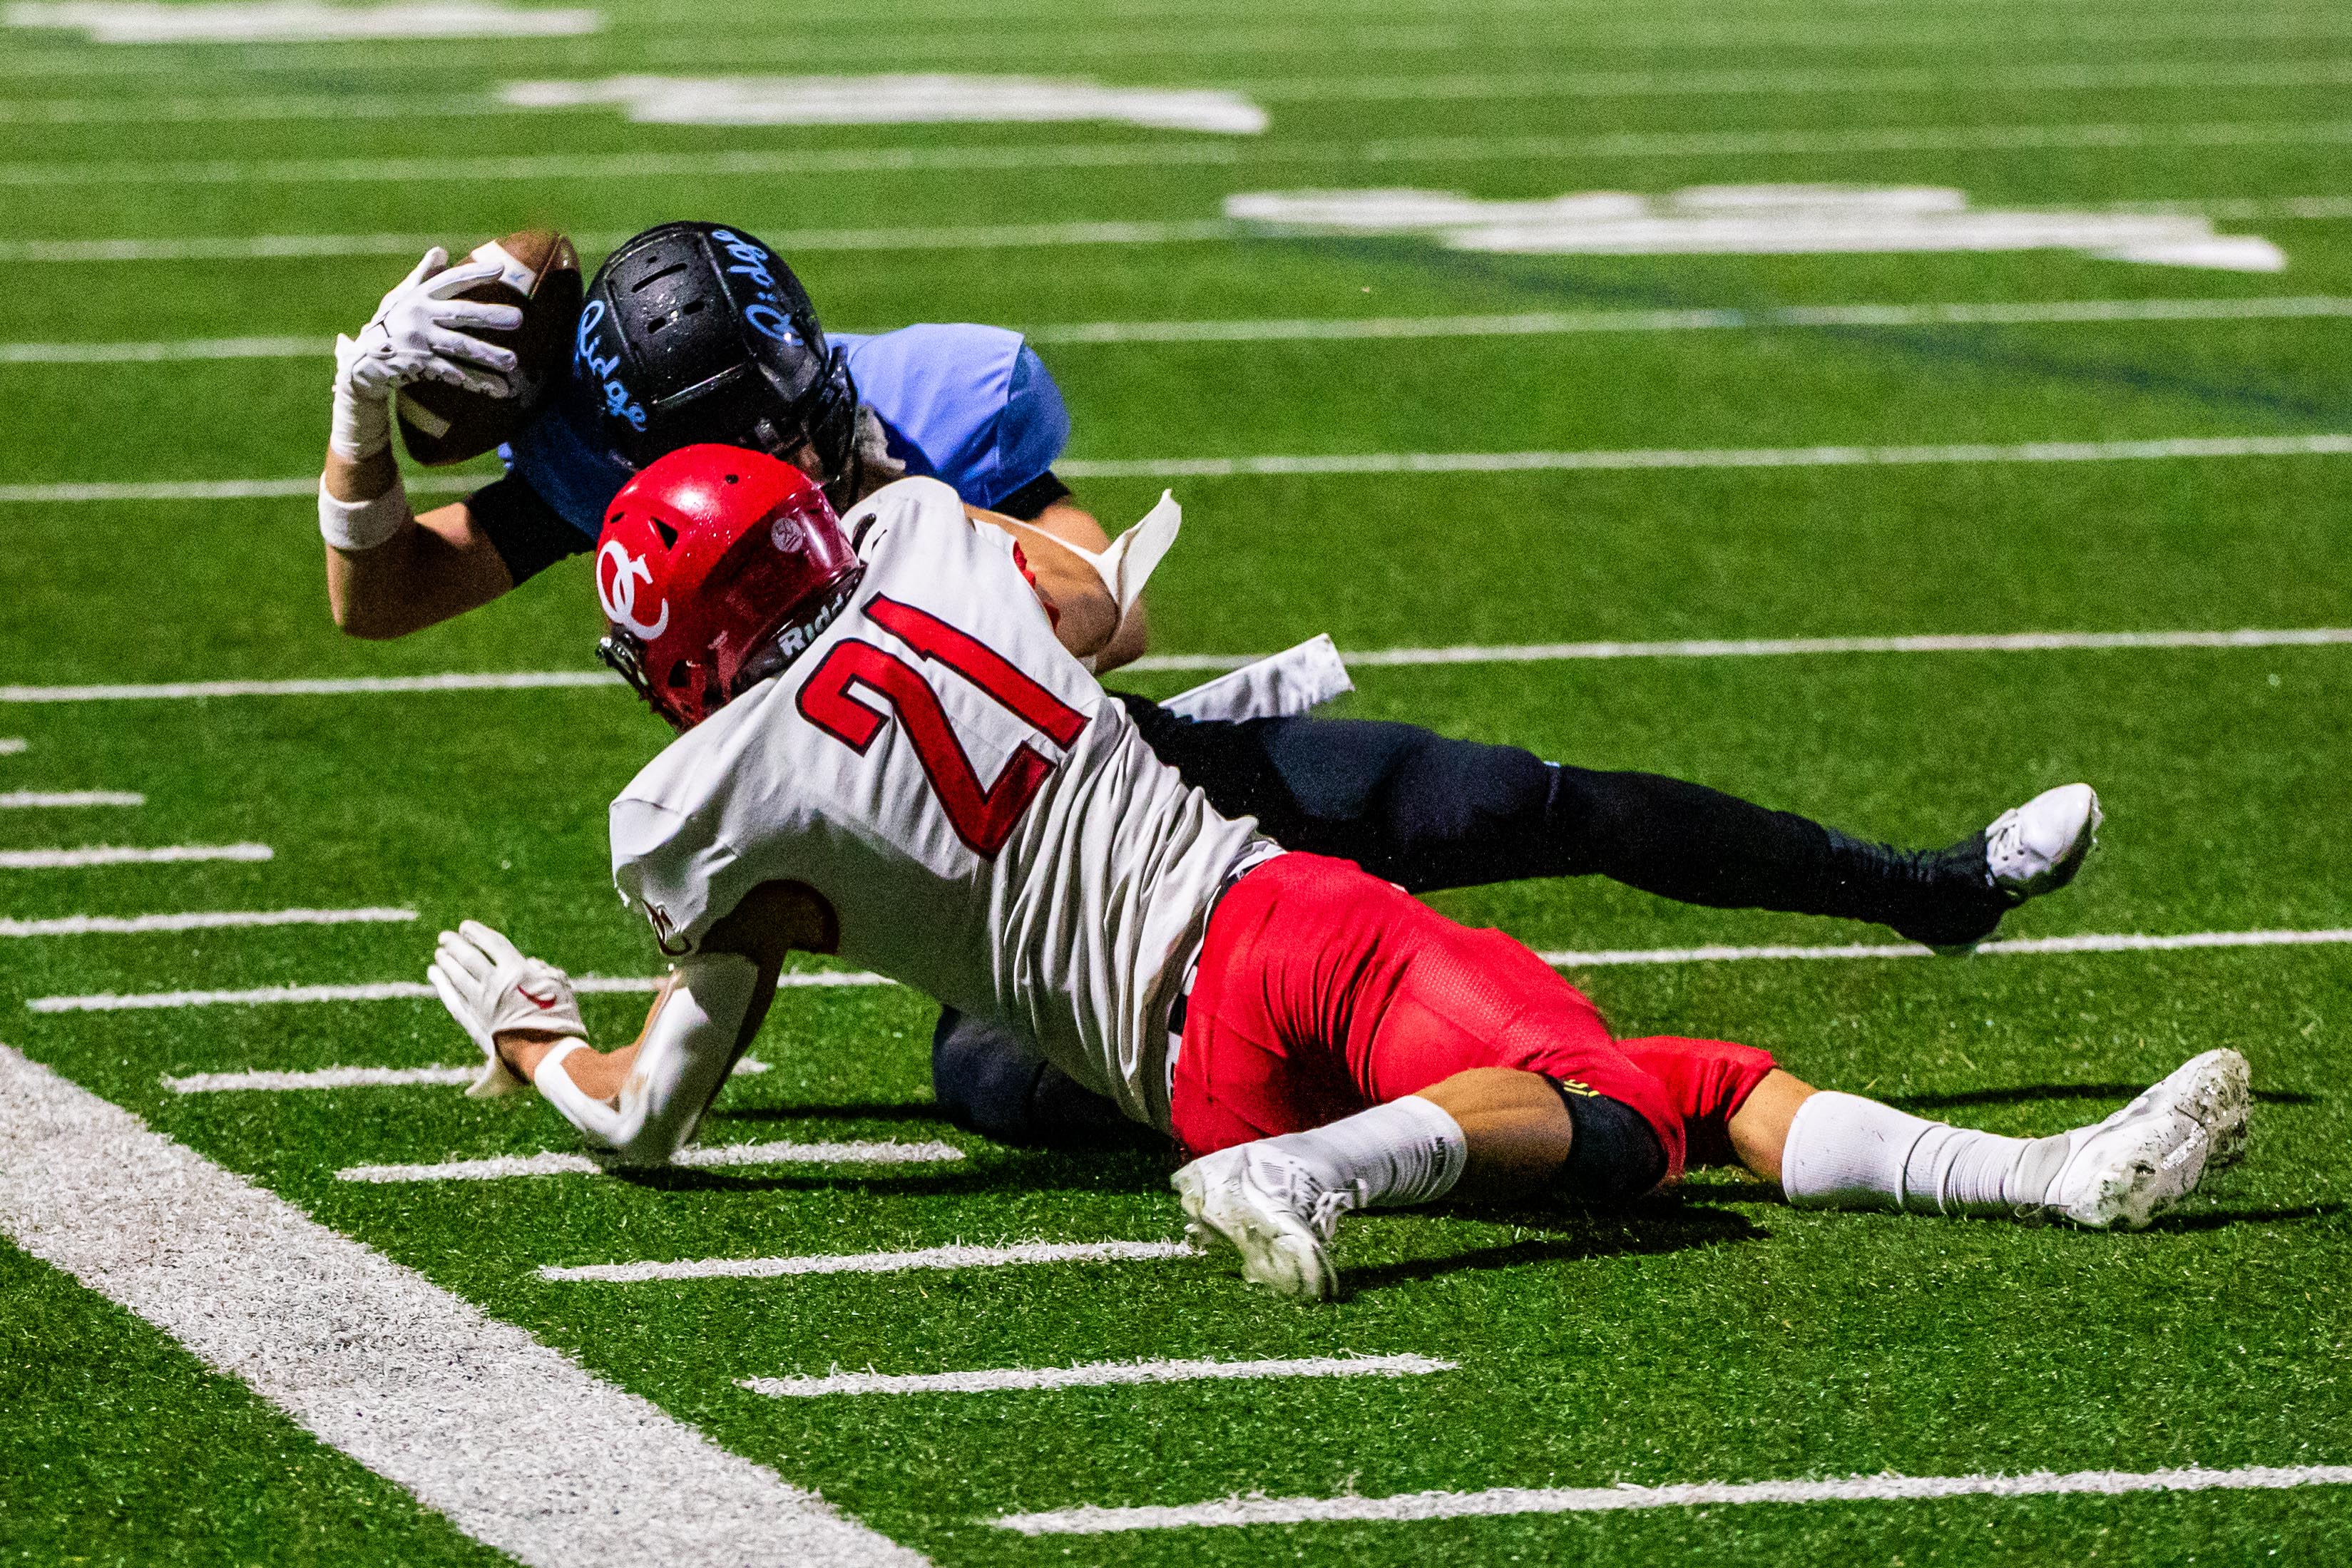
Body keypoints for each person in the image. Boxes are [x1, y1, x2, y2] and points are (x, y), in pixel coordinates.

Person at [328, 220, 2103, 1142]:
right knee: (997, 1089)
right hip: (984, 902)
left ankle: (1916, 888)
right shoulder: (622, 465)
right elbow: (386, 585)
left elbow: (1106, 604)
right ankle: (1481, 1111)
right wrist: (367, 407)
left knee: (1508, 801)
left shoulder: (923, 405)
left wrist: (890, 502)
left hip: (1133, 782)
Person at [426, 446, 2247, 1303]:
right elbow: (1092, 597)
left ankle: (2046, 1177)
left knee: (1674, 1097)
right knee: (1607, 1097)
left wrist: (528, 1036)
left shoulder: (697, 814)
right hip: (1267, 933)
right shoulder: (914, 534)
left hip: (1162, 1071)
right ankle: (1307, 1175)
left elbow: (645, 1115)